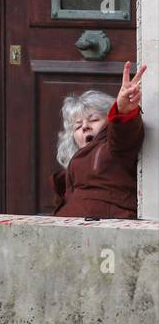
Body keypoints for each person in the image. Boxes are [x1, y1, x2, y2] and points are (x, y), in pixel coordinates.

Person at [50, 62, 145, 218]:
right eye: (78, 126)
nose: (85, 127)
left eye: (93, 120)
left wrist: (123, 110)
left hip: (109, 227)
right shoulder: (75, 162)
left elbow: (123, 132)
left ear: (109, 121)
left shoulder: (113, 147)